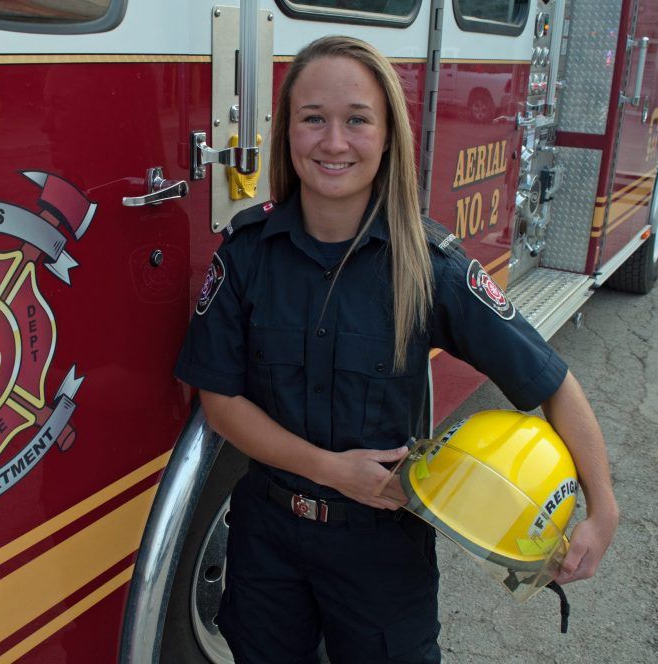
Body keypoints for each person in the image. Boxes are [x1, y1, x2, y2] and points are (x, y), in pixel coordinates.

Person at [174, 35, 618, 663]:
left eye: (357, 120)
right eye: (313, 120)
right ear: (288, 134)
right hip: (266, 541)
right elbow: (220, 400)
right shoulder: (246, 256)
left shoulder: (429, 265)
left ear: (387, 138)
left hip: (382, 554)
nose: (333, 142)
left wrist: (603, 508)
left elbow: (551, 382)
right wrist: (329, 469)